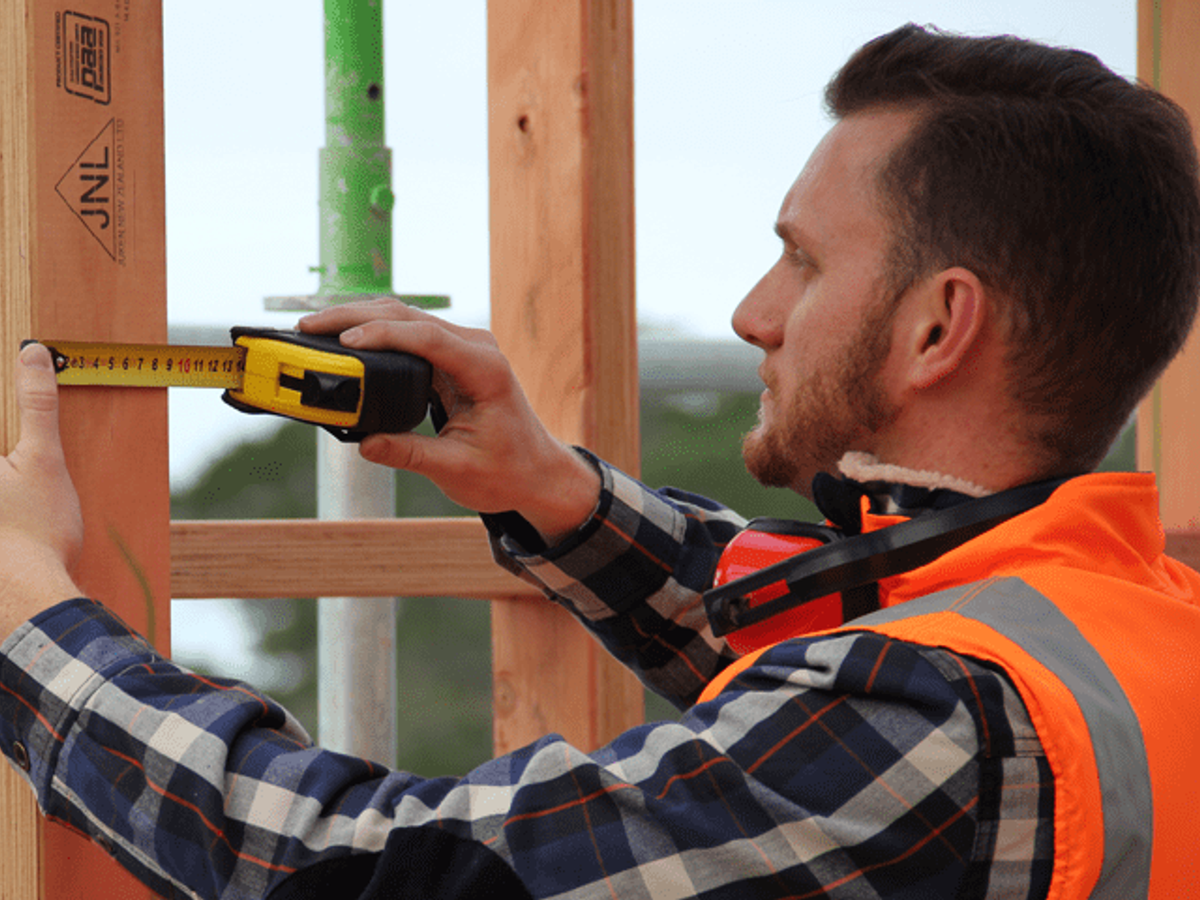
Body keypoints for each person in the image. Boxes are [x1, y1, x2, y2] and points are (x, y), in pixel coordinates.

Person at [3, 23, 1200, 900]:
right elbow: (818, 628)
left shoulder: (935, 728)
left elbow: (378, 871)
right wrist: (555, 493)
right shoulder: (1127, 625)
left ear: (939, 327)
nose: (751, 312)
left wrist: (37, 638)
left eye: (803, 262)